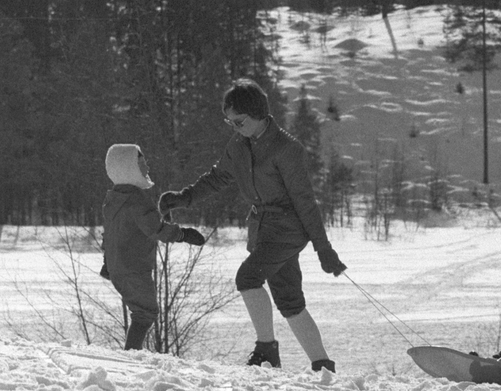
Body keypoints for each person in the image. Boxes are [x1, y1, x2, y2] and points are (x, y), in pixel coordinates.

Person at [158, 78, 345, 373]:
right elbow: (219, 177)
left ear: (258, 113)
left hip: (288, 229)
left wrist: (324, 250)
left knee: (247, 278)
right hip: (264, 228)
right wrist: (185, 197)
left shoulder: (287, 150)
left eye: (239, 121)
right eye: (230, 122)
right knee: (290, 301)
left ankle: (267, 350)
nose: (234, 127)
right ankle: (323, 366)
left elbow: (306, 203)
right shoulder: (239, 144)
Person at [102, 143, 206, 351]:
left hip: (119, 266)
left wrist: (108, 262)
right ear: (128, 168)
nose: (147, 168)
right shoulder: (136, 201)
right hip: (133, 268)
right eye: (142, 163)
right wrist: (183, 234)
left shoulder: (112, 198)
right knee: (145, 313)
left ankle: (132, 354)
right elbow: (155, 229)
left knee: (142, 311)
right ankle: (131, 356)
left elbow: (111, 234)